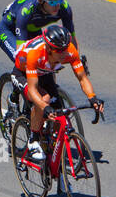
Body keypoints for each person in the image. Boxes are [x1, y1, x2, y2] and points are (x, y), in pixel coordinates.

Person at [13, 24, 104, 161]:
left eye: (65, 49)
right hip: (23, 72)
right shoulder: (34, 54)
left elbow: (82, 78)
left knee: (58, 111)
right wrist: (45, 107)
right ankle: (33, 140)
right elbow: (32, 90)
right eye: (59, 50)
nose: (63, 53)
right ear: (49, 48)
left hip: (45, 71)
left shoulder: (69, 51)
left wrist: (93, 97)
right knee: (43, 100)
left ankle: (51, 149)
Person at [0, 0, 76, 62]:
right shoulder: (26, 11)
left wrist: (76, 59)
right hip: (9, 30)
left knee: (49, 59)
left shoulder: (64, 9)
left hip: (33, 31)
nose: (57, 6)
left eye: (60, 1)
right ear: (40, 0)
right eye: (52, 3)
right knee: (23, 61)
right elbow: (21, 49)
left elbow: (72, 40)